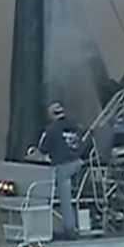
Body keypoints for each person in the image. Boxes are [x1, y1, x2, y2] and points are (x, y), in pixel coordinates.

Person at [32, 101, 85, 239]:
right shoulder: (75, 125)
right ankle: (76, 224)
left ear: (51, 115)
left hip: (63, 166)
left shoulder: (52, 129)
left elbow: (42, 150)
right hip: (79, 164)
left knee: (62, 193)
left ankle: (69, 228)